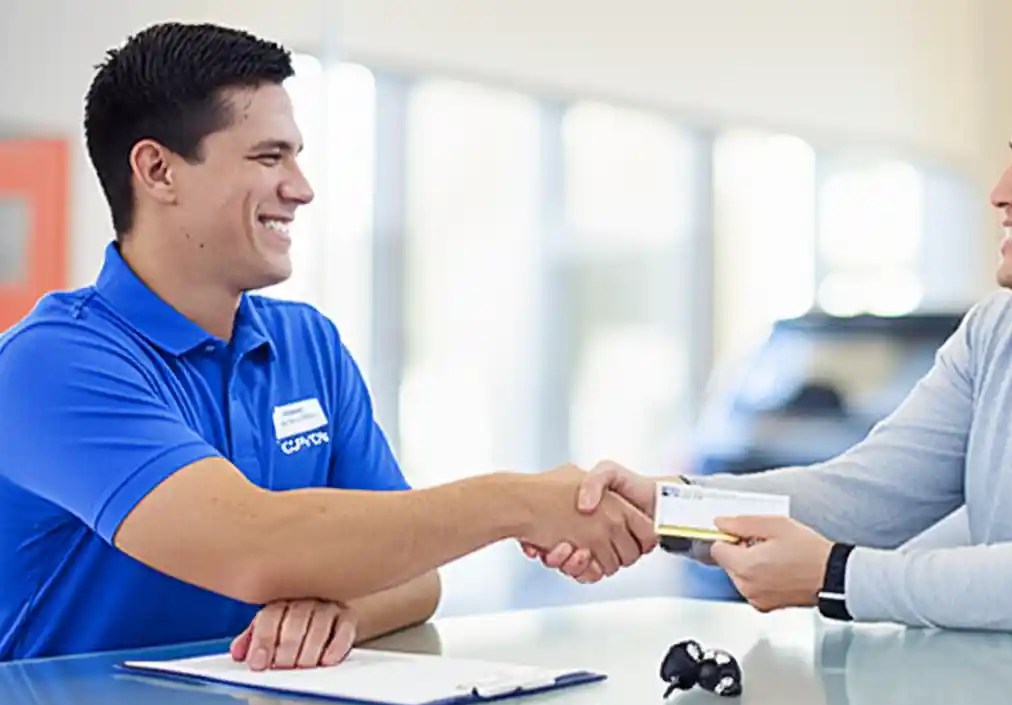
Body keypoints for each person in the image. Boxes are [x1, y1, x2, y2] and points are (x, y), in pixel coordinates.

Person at [535, 40, 1012, 652]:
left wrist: (838, 577)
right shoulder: (1003, 329)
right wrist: (669, 509)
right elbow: (866, 495)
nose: (1000, 190)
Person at [0, 22, 655, 665]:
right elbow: (253, 544)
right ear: (158, 170)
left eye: (295, 156)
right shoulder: (50, 364)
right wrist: (518, 502)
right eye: (268, 157)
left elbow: (414, 574)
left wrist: (344, 612)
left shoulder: (307, 343)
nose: (301, 188)